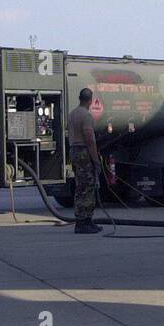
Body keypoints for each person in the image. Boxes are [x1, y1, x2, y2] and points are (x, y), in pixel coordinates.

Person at [68, 87, 101, 235]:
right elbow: (89, 138)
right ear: (90, 100)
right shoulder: (86, 115)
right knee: (87, 187)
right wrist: (96, 160)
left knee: (80, 186)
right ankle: (83, 222)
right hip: (83, 152)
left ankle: (86, 221)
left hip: (74, 150)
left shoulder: (72, 114)